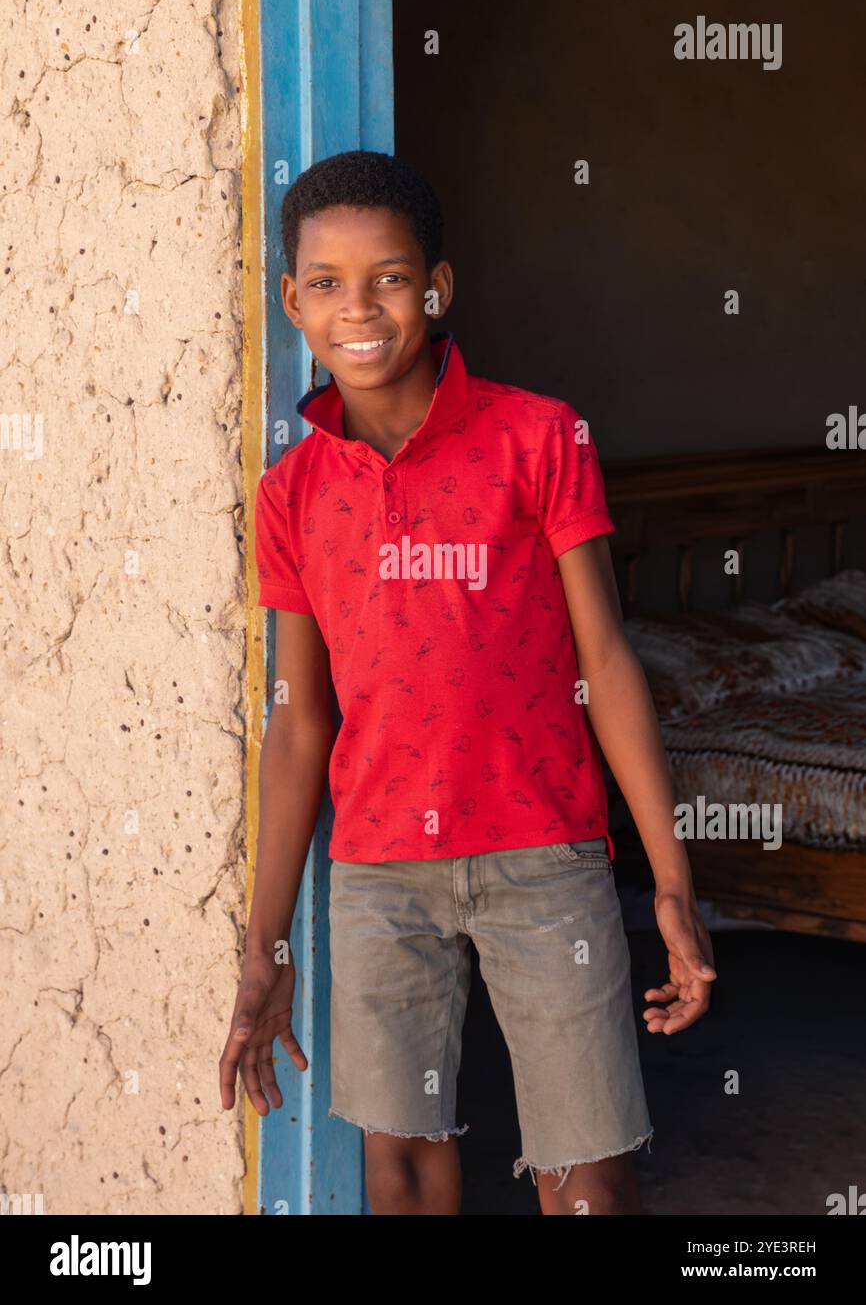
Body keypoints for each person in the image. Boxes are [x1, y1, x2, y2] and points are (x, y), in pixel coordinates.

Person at [219, 149, 717, 1215]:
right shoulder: (293, 491)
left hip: (543, 852)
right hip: (380, 874)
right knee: (402, 1164)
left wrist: (668, 878)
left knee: (585, 1171)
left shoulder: (537, 436)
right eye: (325, 282)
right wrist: (263, 949)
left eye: (389, 277)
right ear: (290, 300)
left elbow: (605, 661)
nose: (358, 308)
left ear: (437, 288)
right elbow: (304, 723)